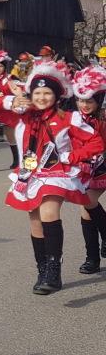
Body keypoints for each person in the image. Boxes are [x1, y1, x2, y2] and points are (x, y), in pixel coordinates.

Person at [0, 61, 104, 294]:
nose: (42, 97)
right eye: (37, 93)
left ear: (56, 96)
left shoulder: (69, 118)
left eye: (47, 93)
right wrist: (10, 101)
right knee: (36, 222)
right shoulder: (21, 117)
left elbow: (95, 142)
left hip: (56, 175)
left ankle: (54, 272)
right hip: (29, 175)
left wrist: (70, 157)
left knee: (49, 211)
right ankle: (43, 269)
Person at [71, 65, 106, 273]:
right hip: (84, 169)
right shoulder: (74, 118)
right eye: (81, 100)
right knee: (85, 209)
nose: (84, 105)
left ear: (98, 101)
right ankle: (92, 259)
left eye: (89, 101)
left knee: (88, 202)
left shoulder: (103, 119)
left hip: (103, 167)